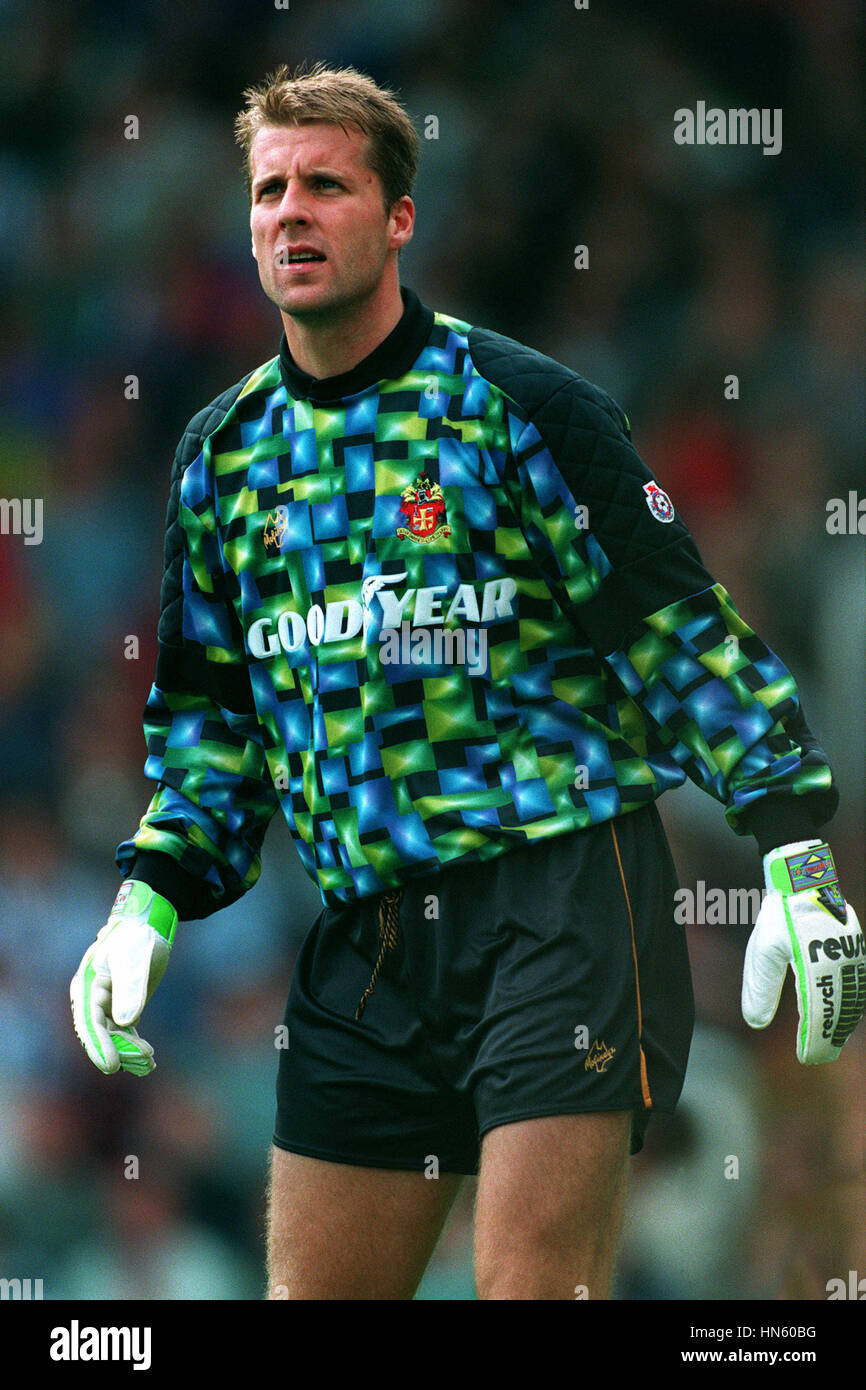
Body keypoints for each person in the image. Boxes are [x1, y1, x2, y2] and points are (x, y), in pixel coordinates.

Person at [70, 61, 864, 1301]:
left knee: (531, 1293)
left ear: (397, 217)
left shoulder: (520, 407)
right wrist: (148, 903)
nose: (290, 211)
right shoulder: (219, 458)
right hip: (366, 938)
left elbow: (677, 635)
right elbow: (213, 727)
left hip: (560, 901)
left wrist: (792, 850)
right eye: (270, 189)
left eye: (326, 185)